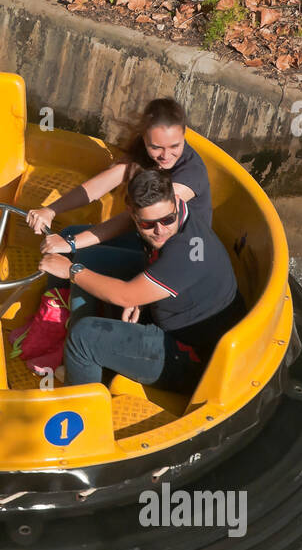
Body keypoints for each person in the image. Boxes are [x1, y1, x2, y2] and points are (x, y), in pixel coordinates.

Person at [38, 168, 246, 394]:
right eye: (148, 224)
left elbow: (125, 295)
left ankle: (80, 404)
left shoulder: (189, 251)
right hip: (172, 312)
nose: (160, 230)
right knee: (89, 257)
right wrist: (143, 298)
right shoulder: (173, 214)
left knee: (84, 336)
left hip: (192, 357)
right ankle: (69, 344)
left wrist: (71, 270)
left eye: (167, 220)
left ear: (176, 201)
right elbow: (147, 277)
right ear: (133, 215)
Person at [28, 98, 212, 270]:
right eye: (156, 147)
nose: (165, 155)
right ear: (145, 138)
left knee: (84, 259)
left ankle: (79, 302)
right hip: (147, 239)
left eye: (174, 146)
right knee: (67, 234)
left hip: (177, 256)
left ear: (184, 134)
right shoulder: (143, 154)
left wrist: (73, 243)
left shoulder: (190, 174)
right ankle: (54, 299)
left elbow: (134, 219)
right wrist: (50, 210)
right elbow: (98, 186)